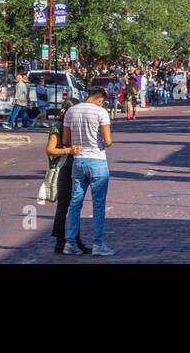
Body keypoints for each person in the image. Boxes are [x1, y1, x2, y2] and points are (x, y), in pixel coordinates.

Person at [63, 87, 115, 256]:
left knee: (75, 202)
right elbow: (108, 141)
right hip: (97, 160)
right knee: (98, 204)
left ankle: (70, 243)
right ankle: (98, 244)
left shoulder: (71, 111)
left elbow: (65, 140)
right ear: (100, 99)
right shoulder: (101, 112)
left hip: (78, 160)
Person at [46, 100, 89, 255]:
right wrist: (69, 150)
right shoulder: (58, 127)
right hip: (65, 169)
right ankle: (61, 241)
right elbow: (50, 150)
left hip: (77, 167)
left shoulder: (74, 127)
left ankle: (74, 239)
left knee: (75, 205)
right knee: (64, 205)